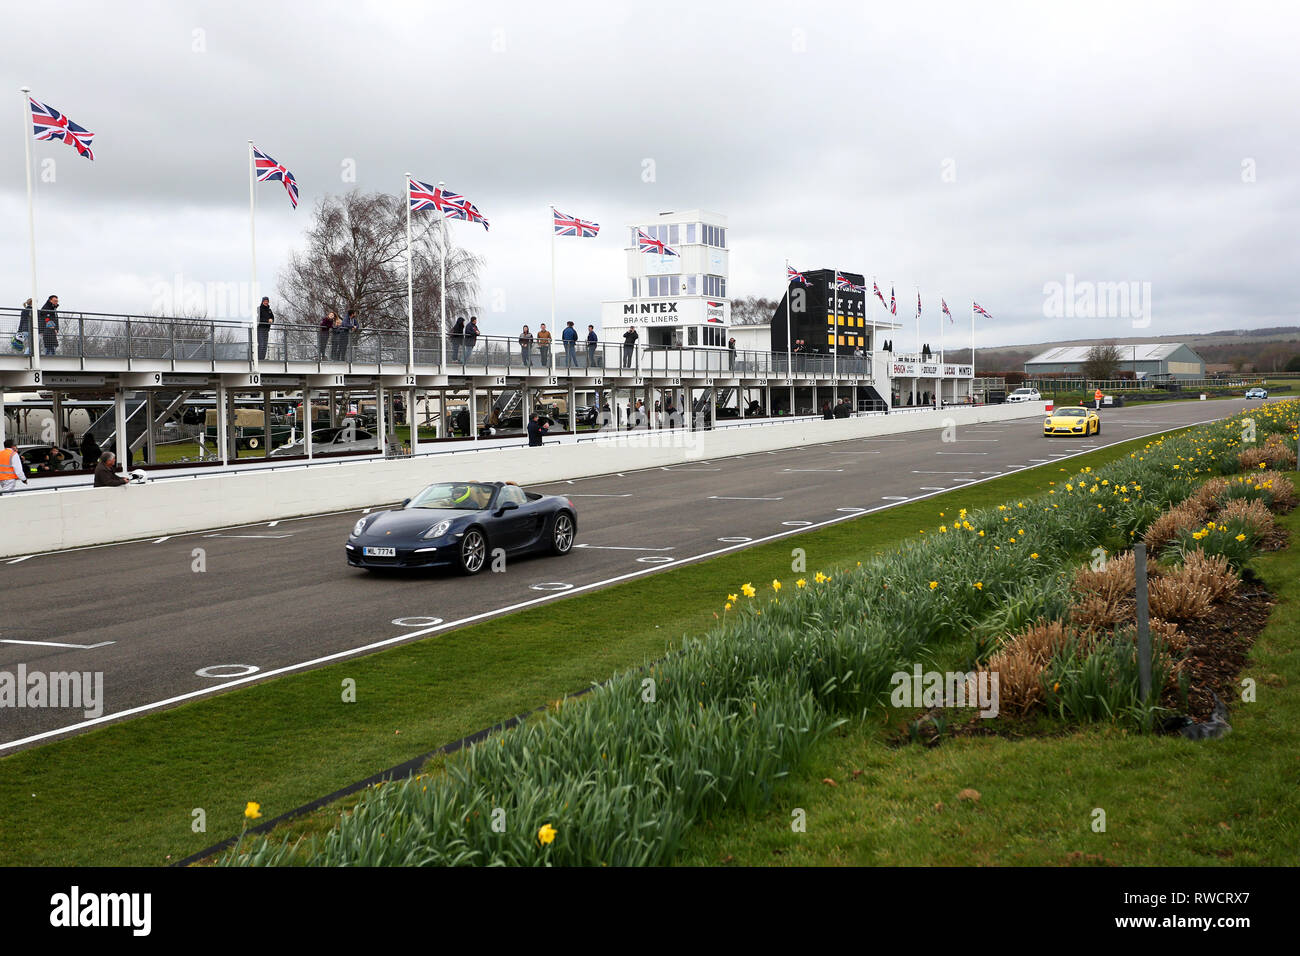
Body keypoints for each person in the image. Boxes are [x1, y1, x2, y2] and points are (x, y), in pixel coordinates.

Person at [257, 297, 274, 361]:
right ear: (262, 301)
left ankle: (262, 359)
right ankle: (258, 359)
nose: (266, 302)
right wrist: (267, 320)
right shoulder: (259, 309)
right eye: (265, 301)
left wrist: (271, 320)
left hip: (266, 329)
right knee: (261, 344)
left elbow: (272, 318)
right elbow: (258, 319)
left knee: (265, 345)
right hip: (260, 329)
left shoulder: (269, 310)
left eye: (267, 301)